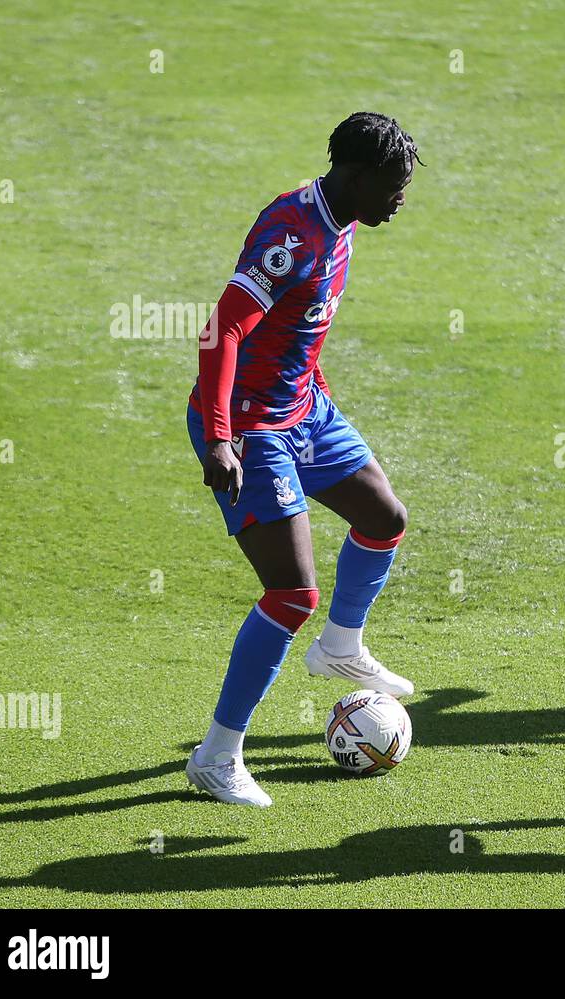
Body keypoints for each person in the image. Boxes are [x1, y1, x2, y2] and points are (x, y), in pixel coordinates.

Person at [184, 112, 421, 806]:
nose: (401, 198)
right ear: (355, 176)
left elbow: (300, 325)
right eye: (394, 185)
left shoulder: (343, 221)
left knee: (384, 516)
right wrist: (222, 436)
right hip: (250, 427)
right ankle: (216, 756)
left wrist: (315, 389)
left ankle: (339, 646)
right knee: (291, 594)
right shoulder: (292, 233)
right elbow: (222, 327)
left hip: (304, 410)